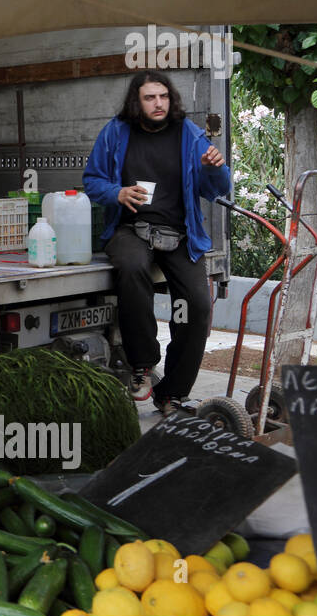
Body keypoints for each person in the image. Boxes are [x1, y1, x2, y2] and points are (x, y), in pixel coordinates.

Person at [82, 70, 232, 416]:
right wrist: (116, 192)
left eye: (163, 96)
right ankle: (142, 366)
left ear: (171, 99)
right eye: (150, 97)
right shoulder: (116, 133)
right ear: (137, 101)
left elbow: (216, 190)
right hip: (130, 229)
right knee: (132, 268)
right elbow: (92, 181)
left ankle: (172, 394)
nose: (158, 103)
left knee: (197, 304)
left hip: (181, 233)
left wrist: (214, 168)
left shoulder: (189, 134)